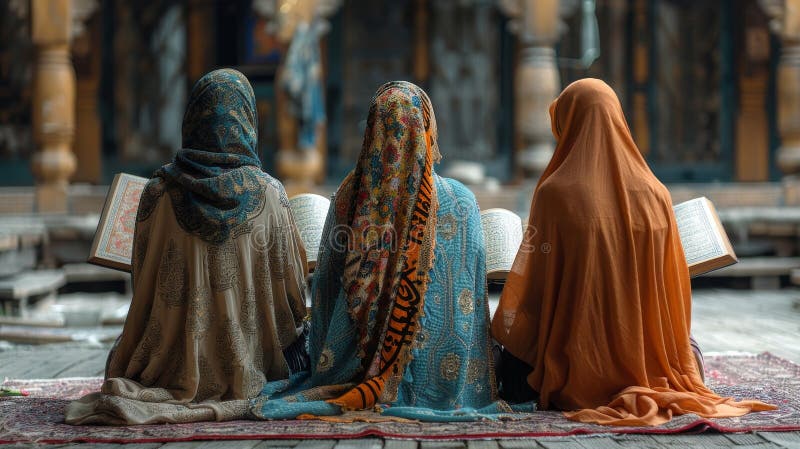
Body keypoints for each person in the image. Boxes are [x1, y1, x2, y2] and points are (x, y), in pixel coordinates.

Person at [491, 78, 776, 426]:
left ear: (568, 124)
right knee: (686, 354)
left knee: (509, 358)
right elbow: (672, 295)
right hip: (648, 355)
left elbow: (535, 292)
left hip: (572, 361)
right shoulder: (656, 193)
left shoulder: (554, 194)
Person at [250, 81, 520, 421]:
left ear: (372, 131)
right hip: (449, 380)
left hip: (352, 366)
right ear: (425, 128)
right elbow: (473, 307)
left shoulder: (351, 193)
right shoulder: (461, 201)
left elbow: (328, 288)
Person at [65, 69, 309, 425]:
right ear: (248, 120)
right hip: (258, 365)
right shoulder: (272, 195)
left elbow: (142, 279)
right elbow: (292, 298)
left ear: (193, 117)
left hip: (165, 367)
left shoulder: (158, 191)